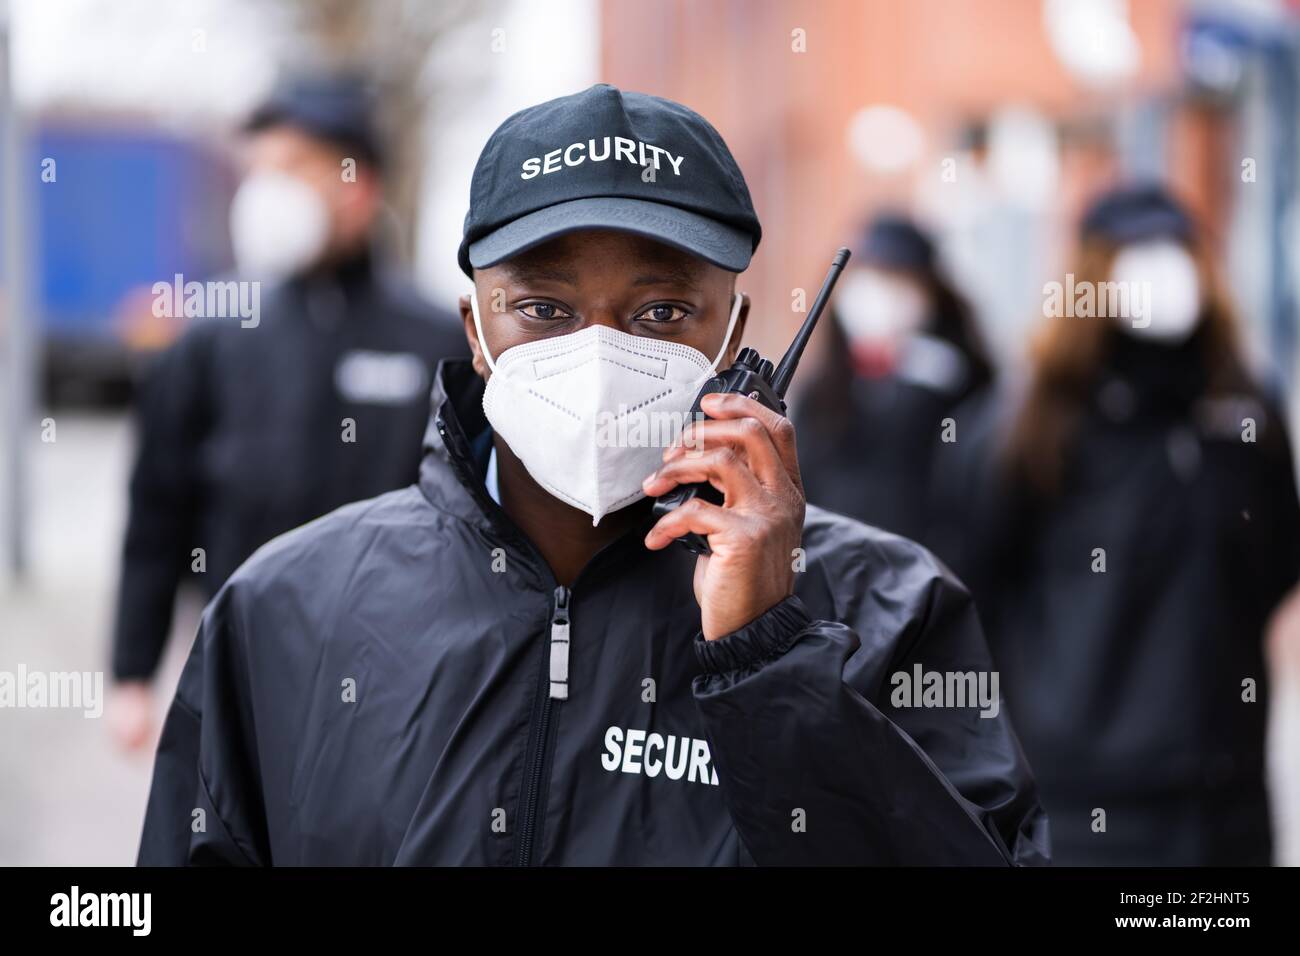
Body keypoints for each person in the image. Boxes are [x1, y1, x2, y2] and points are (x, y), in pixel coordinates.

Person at [136, 84, 1047, 866]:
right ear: (475, 330)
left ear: (732, 337)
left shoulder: (889, 610)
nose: (600, 350)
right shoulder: (286, 611)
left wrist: (771, 658)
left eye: (661, 310)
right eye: (543, 306)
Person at [108, 73, 469, 750]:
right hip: (241, 670)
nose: (267, 190)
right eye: (261, 169)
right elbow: (157, 508)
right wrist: (132, 673)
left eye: (292, 167)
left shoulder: (435, 340)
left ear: (359, 186)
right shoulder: (211, 335)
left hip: (398, 685)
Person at [944, 184, 1300, 865]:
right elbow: (978, 586)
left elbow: (1278, 561)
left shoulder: (1243, 410)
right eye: (1136, 253)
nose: (1162, 273)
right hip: (1087, 802)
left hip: (1225, 794)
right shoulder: (1030, 424)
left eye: (1175, 251)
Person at [794, 214, 993, 551]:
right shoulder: (822, 391)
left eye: (898, 278)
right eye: (869, 277)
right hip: (831, 574)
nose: (880, 296)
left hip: (930, 574)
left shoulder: (961, 384)